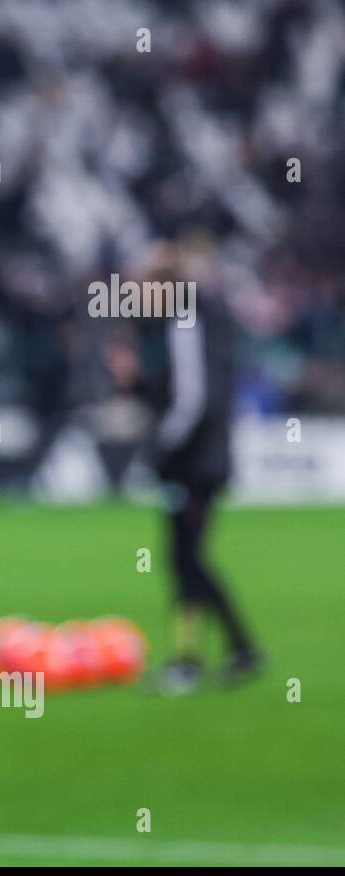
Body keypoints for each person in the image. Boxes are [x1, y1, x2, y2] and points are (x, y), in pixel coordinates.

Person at [135, 247, 262, 696]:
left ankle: (211, 655)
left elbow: (191, 401)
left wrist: (159, 451)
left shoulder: (187, 322)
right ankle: (228, 652)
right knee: (186, 558)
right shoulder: (204, 318)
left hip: (193, 464)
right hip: (204, 459)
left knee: (185, 558)